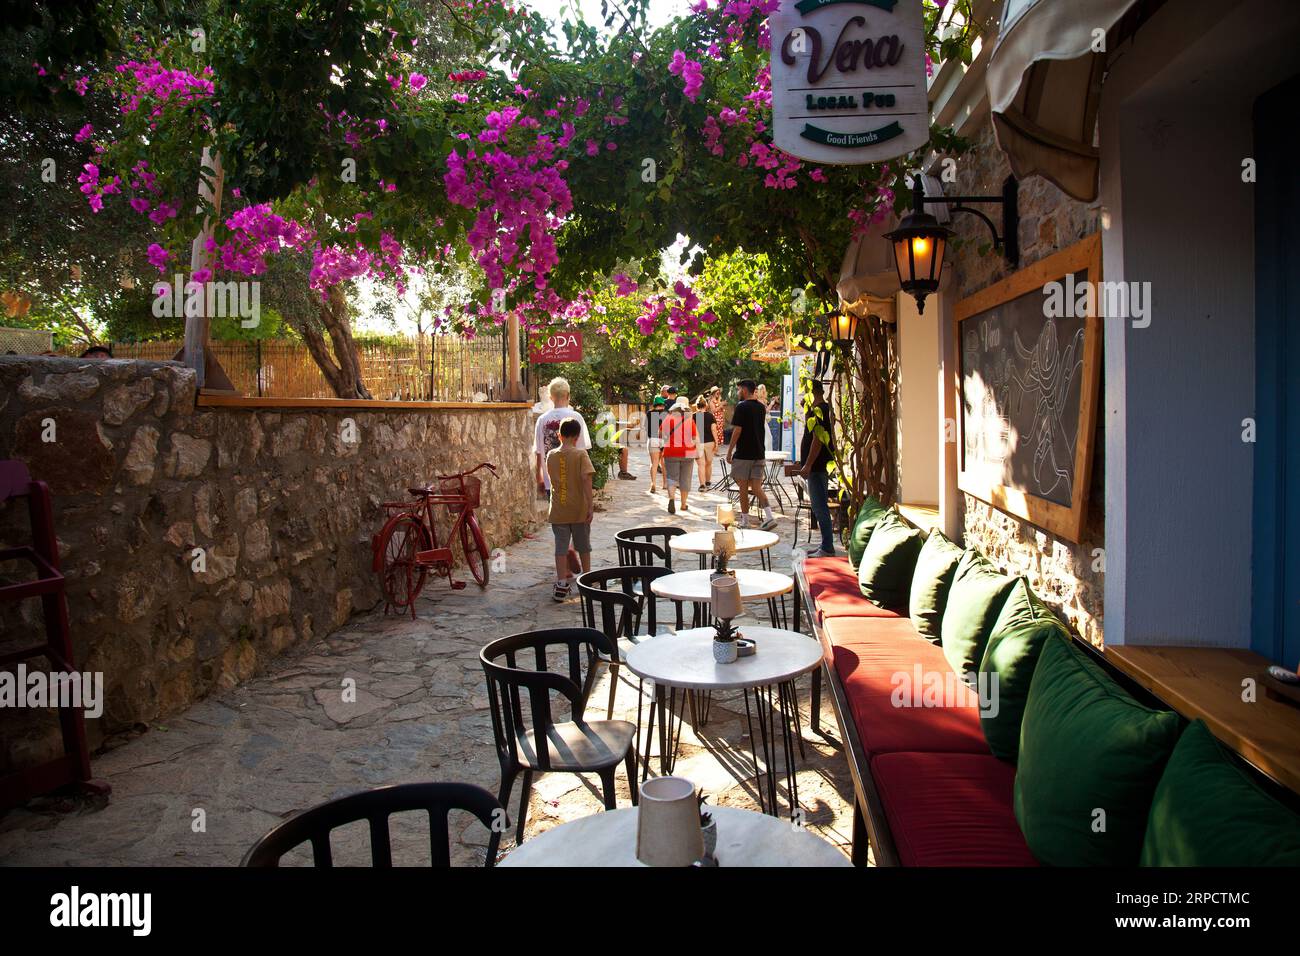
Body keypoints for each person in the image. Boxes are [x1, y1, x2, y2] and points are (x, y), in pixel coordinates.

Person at [546, 418, 594, 602]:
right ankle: (587, 579)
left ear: (559, 435)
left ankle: (561, 583)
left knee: (561, 547)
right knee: (583, 545)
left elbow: (553, 478)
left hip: (558, 508)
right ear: (577, 436)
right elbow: (586, 480)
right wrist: (590, 505)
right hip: (579, 508)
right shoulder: (581, 455)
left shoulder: (551, 455)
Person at [726, 379, 777, 530]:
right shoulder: (761, 407)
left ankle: (745, 521)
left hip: (744, 454)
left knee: (743, 487)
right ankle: (769, 517)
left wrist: (729, 451)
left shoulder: (742, 407)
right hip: (759, 453)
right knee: (756, 487)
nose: (738, 392)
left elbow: (737, 430)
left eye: (739, 389)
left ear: (745, 390)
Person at [798, 379, 837, 557]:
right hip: (816, 466)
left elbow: (818, 439)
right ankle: (825, 544)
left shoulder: (821, 410)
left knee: (820, 506)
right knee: (818, 506)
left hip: (817, 466)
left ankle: (827, 547)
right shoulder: (816, 411)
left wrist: (808, 464)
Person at [534, 377, 590, 497]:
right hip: (574, 479)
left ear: (550, 397)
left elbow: (539, 452)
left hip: (551, 480)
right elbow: (582, 450)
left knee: (555, 513)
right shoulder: (577, 417)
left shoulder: (542, 420)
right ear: (568, 395)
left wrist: (539, 477)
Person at [660, 396, 699, 515]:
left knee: (672, 477)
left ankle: (671, 499)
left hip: (671, 451)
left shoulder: (668, 418)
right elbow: (694, 438)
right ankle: (683, 504)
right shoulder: (689, 420)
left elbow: (660, 434)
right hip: (688, 452)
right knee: (685, 479)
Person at [694, 395, 717, 491]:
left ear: (697, 405)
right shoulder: (710, 416)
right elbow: (714, 430)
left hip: (698, 442)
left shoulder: (693, 416)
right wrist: (717, 443)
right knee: (709, 464)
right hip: (709, 442)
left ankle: (702, 485)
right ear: (706, 405)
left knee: (701, 465)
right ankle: (707, 481)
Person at [646, 395, 667, 494]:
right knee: (664, 464)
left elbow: (646, 427)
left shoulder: (649, 413)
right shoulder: (665, 414)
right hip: (663, 439)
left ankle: (653, 483)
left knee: (654, 463)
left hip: (653, 439)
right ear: (662, 405)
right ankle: (665, 484)